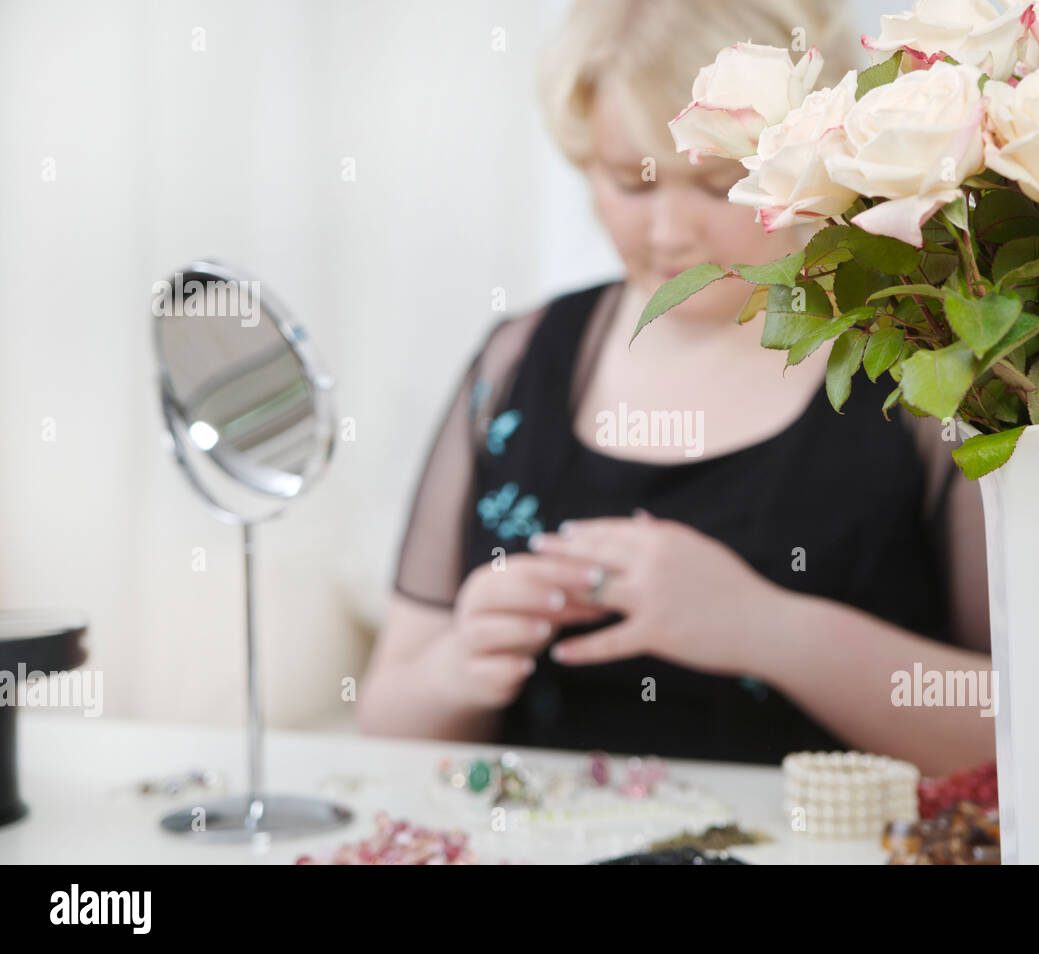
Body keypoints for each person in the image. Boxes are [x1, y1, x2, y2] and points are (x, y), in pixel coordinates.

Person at [358, 0, 994, 776]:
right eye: (632, 183)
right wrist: (458, 668)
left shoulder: (919, 359)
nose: (669, 232)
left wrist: (769, 629)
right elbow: (388, 721)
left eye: (720, 182)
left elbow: (1025, 730)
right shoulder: (517, 357)